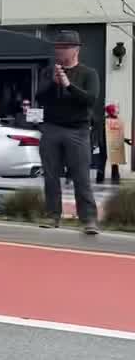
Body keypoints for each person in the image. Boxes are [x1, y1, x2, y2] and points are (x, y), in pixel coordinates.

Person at [35, 31, 101, 233]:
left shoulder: (88, 73)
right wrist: (53, 83)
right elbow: (39, 97)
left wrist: (68, 85)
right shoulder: (49, 72)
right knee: (51, 176)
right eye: (57, 47)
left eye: (64, 48)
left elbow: (90, 100)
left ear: (76, 50)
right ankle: (53, 216)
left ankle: (88, 220)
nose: (59, 51)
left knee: (81, 176)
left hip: (78, 130)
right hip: (52, 128)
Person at [100, 103, 128, 185]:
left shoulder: (117, 120)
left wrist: (125, 140)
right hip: (105, 143)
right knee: (102, 161)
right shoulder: (104, 121)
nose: (117, 112)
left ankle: (115, 178)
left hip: (113, 143)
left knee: (115, 161)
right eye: (115, 110)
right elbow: (100, 133)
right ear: (111, 111)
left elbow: (118, 133)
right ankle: (101, 178)